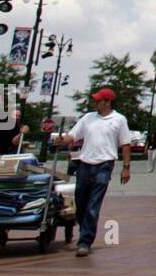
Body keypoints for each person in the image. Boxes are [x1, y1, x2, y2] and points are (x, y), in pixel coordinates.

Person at [52, 88, 131, 257]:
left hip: (104, 165)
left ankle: (85, 241)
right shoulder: (88, 118)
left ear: (107, 102)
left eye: (99, 100)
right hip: (85, 164)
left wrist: (126, 167)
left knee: (93, 205)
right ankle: (83, 228)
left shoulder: (119, 120)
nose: (95, 103)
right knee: (81, 203)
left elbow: (125, 144)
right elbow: (72, 136)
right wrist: (62, 140)